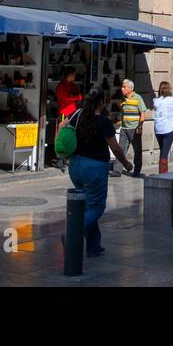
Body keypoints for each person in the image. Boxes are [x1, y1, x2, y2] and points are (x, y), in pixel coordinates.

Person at [66, 88, 132, 257]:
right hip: (94, 168)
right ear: (101, 102)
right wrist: (125, 163)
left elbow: (61, 126)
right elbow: (115, 147)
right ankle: (72, 236)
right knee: (96, 207)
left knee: (88, 205)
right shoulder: (104, 122)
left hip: (75, 166)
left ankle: (94, 246)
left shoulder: (77, 115)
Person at [115, 79, 146, 177]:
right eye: (122, 86)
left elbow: (143, 113)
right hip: (124, 128)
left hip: (134, 128)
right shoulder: (123, 98)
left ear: (130, 88)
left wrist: (140, 126)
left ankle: (137, 171)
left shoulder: (138, 98)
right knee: (121, 149)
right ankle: (117, 170)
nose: (122, 88)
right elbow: (122, 110)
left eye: (124, 87)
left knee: (137, 150)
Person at [152, 81, 173, 173]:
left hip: (158, 130)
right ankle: (162, 174)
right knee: (164, 154)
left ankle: (165, 172)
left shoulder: (155, 101)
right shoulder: (172, 100)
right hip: (168, 130)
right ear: (168, 89)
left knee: (163, 151)